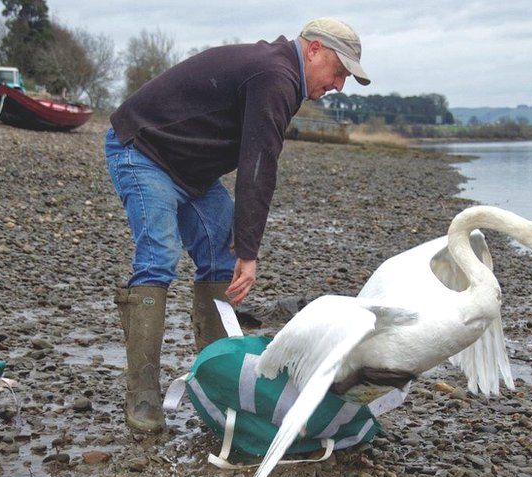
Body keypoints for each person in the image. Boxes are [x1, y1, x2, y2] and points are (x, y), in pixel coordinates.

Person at [105, 18, 371, 432]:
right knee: (158, 256)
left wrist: (240, 249)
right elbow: (258, 166)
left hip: (189, 168)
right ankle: (142, 393)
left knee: (218, 256)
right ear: (314, 49)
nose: (339, 84)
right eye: (339, 71)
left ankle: (215, 379)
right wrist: (249, 252)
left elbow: (255, 157)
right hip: (142, 149)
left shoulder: (284, 75)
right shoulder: (277, 75)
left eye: (346, 78)